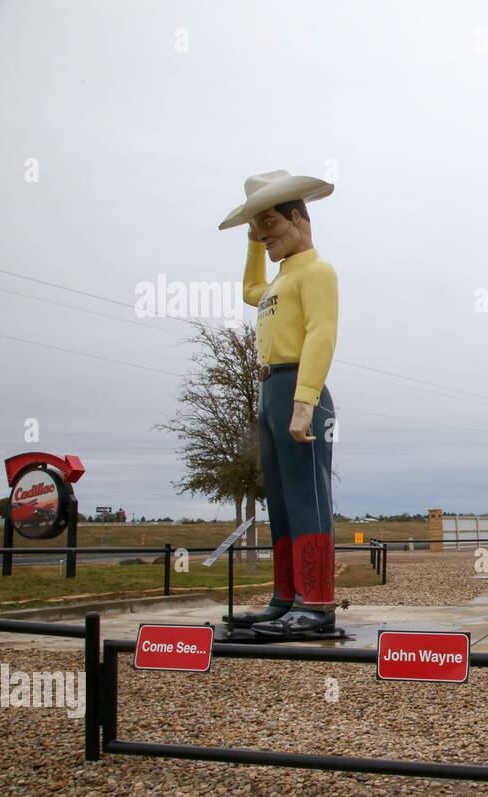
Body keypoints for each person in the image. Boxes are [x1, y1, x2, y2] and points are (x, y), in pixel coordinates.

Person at [218, 170, 339, 636]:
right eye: (258, 229)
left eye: (269, 224)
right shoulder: (280, 280)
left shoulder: (317, 271)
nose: (264, 235)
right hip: (270, 391)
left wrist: (305, 400)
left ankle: (318, 604)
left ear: (297, 218)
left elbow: (322, 333)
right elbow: (252, 290)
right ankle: (286, 597)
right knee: (282, 505)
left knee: (308, 498)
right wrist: (252, 238)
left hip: (298, 388)